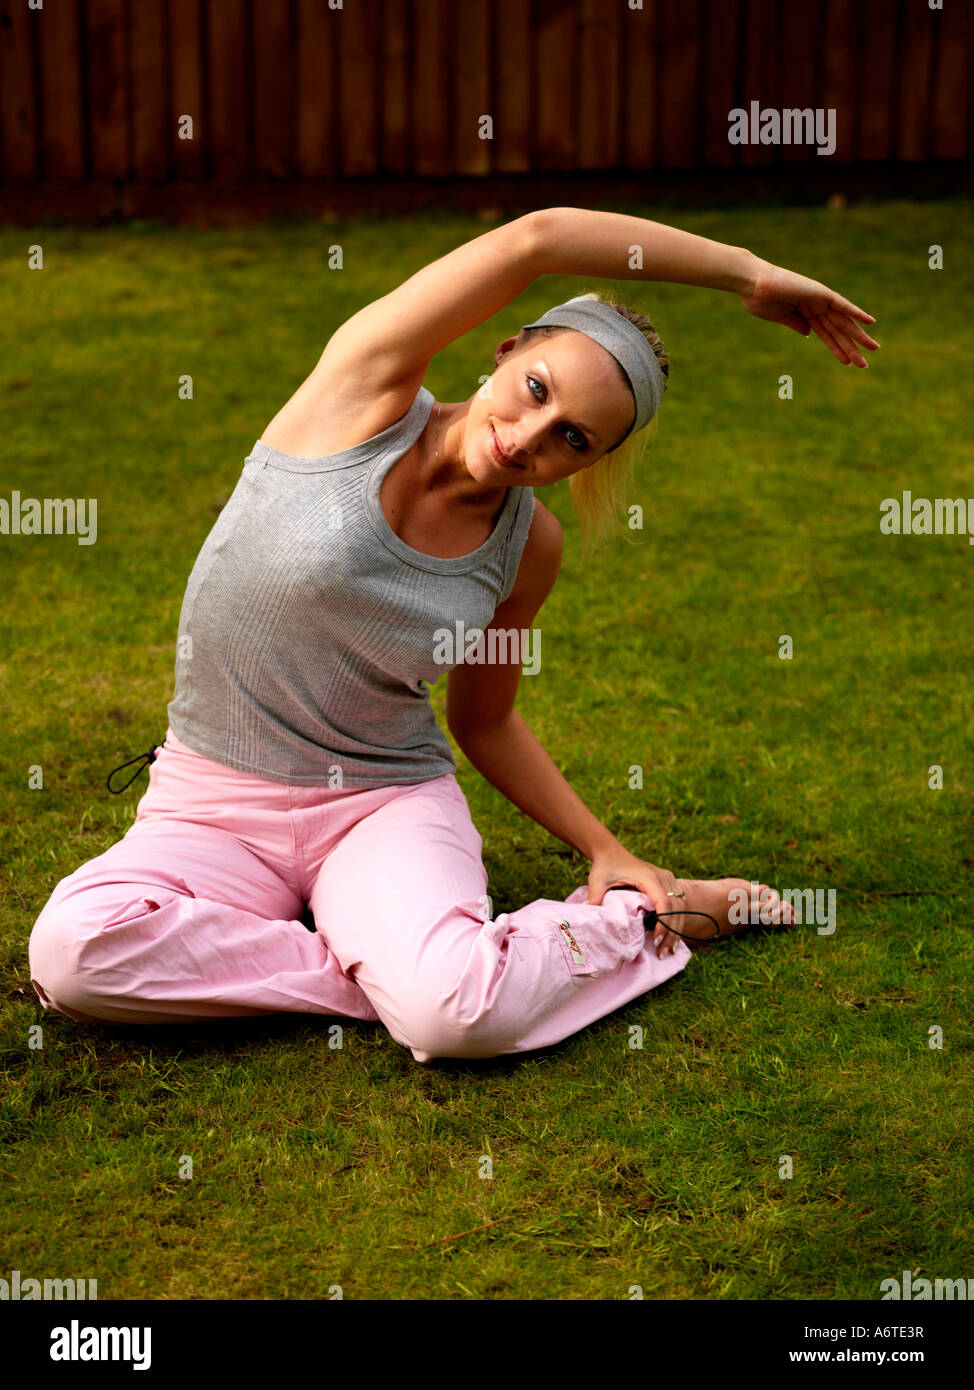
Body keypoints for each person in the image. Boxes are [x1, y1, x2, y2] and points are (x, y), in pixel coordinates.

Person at [27, 207, 878, 1062]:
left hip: (381, 803)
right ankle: (388, 968)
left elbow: (487, 721)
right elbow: (535, 241)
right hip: (212, 802)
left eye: (571, 440)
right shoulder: (362, 391)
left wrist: (605, 849)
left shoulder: (527, 546)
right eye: (537, 391)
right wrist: (746, 273)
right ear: (507, 351)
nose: (530, 438)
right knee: (74, 955)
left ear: (586, 462)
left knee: (452, 1018)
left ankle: (640, 920)